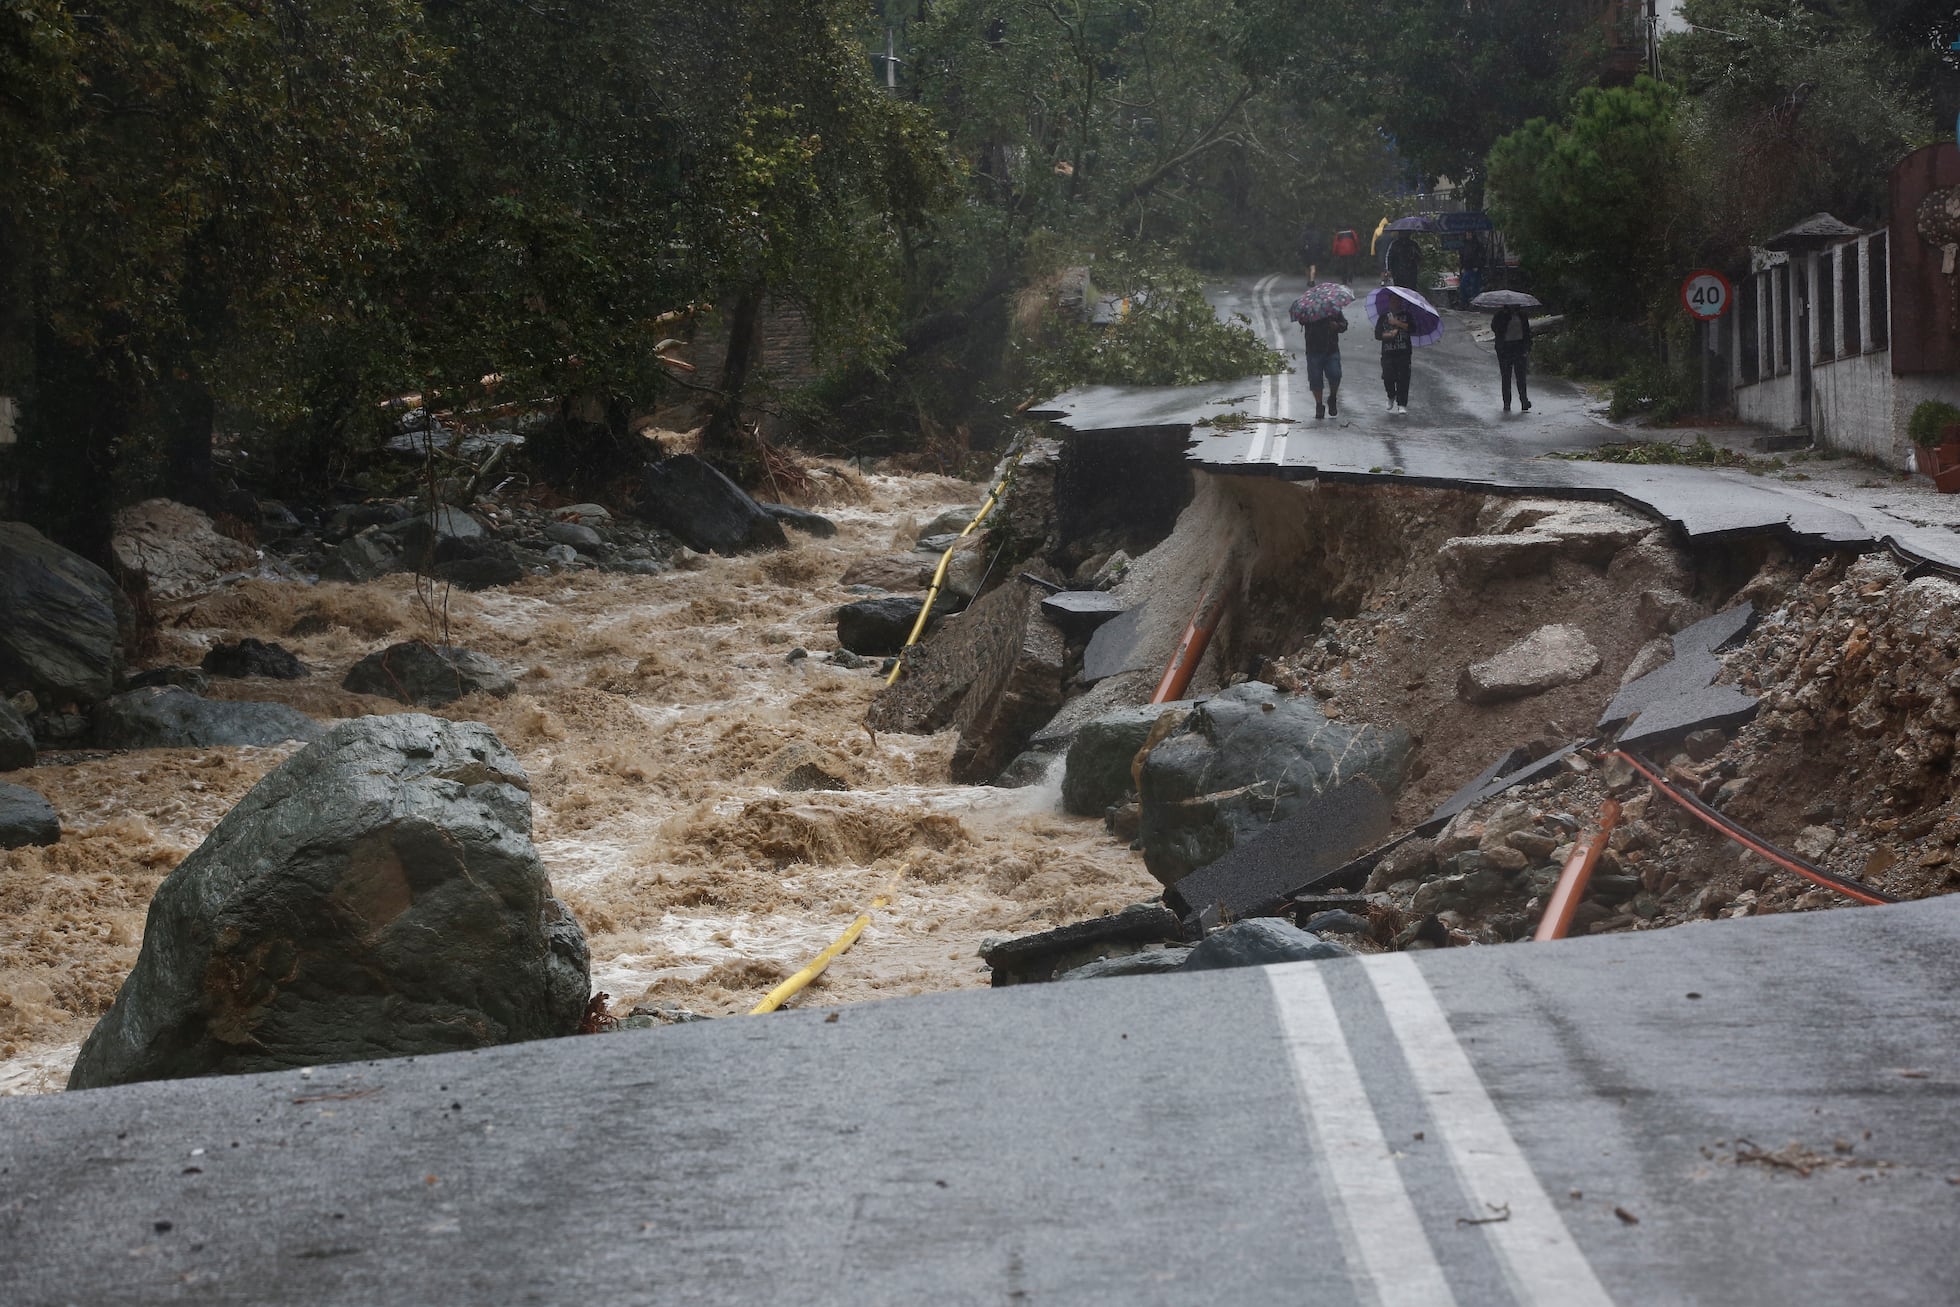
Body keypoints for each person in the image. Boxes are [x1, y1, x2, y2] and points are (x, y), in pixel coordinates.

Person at [1301, 312, 1347, 419]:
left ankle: (1333, 397)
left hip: (1331, 349)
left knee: (1335, 374)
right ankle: (1319, 404)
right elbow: (1301, 321)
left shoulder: (1333, 310)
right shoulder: (1309, 311)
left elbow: (1344, 325)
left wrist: (1337, 326)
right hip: (1313, 350)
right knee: (1315, 378)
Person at [1491, 304, 1533, 412]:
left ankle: (1524, 400)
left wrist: (1527, 347)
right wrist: (1505, 319)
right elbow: (1495, 328)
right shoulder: (1500, 314)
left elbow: (1527, 331)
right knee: (1506, 377)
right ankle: (1507, 403)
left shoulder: (1522, 315)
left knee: (1521, 376)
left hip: (1519, 347)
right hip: (1505, 348)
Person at [1376, 304, 1413, 414]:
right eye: (1392, 300)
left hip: (1404, 352)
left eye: (1397, 300)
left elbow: (1412, 328)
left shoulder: (1406, 315)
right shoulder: (1383, 316)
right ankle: (1391, 395)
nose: (1394, 302)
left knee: (1403, 379)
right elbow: (1377, 334)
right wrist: (1389, 335)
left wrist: (1398, 323)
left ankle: (1402, 404)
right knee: (1388, 377)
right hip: (1388, 352)